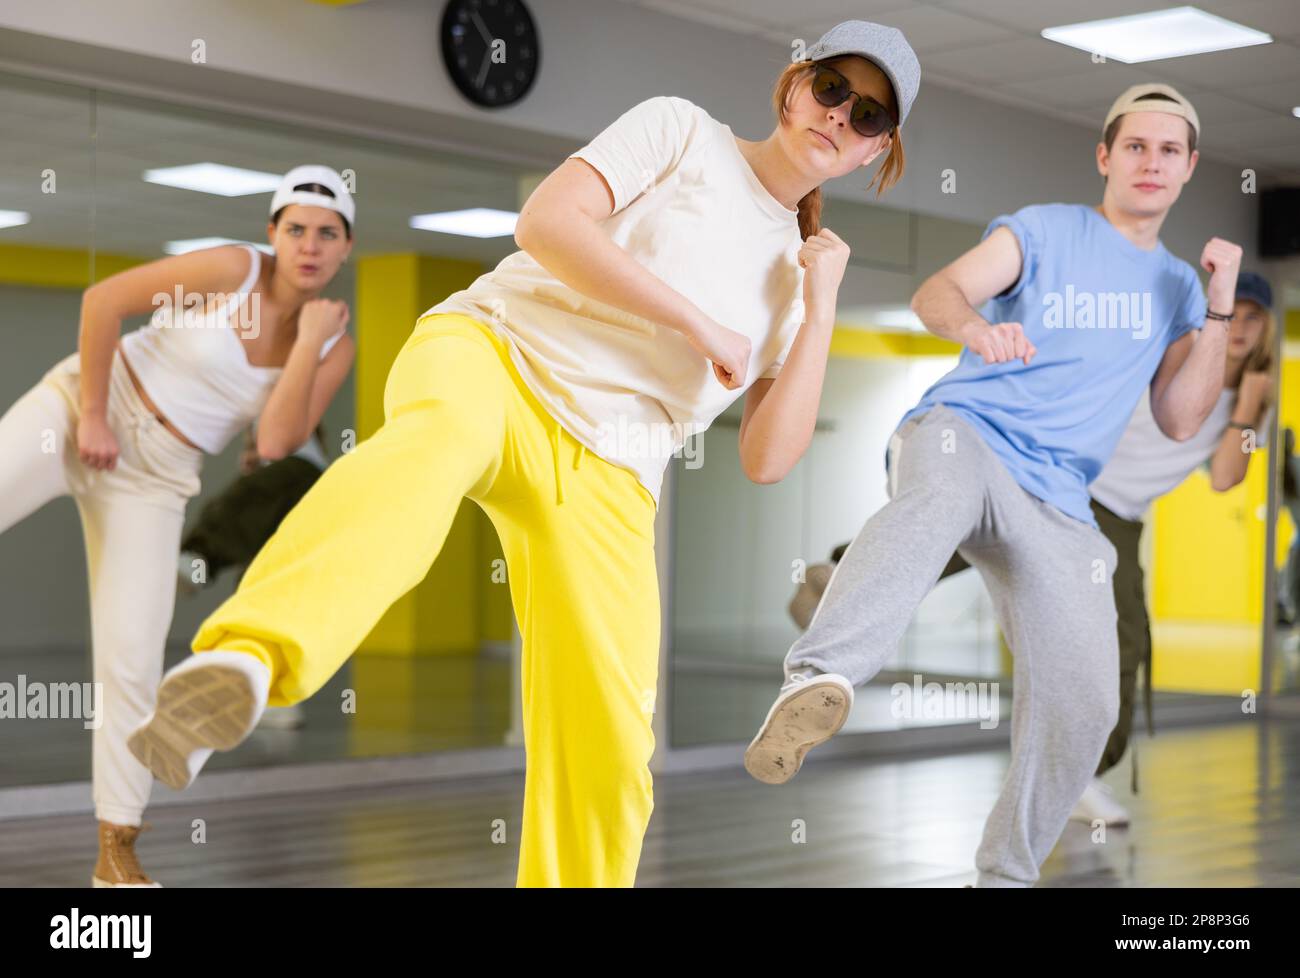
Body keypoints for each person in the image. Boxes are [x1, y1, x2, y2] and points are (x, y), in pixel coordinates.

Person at [127, 21, 922, 887]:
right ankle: (245, 660)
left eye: (870, 115)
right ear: (794, 86)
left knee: (613, 745)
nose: (841, 116)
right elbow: (545, 221)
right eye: (832, 88)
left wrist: (824, 296)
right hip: (497, 356)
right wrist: (691, 320)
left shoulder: (798, 280)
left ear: (876, 152)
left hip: (614, 465)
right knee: (424, 460)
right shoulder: (681, 130)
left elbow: (768, 459)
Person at [746, 83, 1241, 888]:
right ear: (1106, 156)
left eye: (1170, 150)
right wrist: (975, 326)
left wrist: (1218, 307)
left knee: (1088, 704)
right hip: (966, 433)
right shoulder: (1046, 229)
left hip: (1057, 497)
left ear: (1189, 168)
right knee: (931, 504)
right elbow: (935, 292)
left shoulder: (1180, 289)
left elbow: (1183, 418)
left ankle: (1004, 876)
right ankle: (817, 682)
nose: (1152, 162)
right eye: (1137, 146)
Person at [786, 271, 1276, 829]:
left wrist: (1248, 406)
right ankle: (841, 582)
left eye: (1252, 318)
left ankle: (1076, 775)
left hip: (1119, 516)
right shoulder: (1178, 358)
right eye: (1230, 314)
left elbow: (1224, 479)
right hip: (1066, 485)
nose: (1239, 327)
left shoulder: (1250, 401)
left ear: (1265, 328)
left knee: (1124, 642)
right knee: (945, 529)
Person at [0, 165, 356, 886]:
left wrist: (309, 339)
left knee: (132, 657)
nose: (309, 247)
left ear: (345, 248)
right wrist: (94, 414)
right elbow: (104, 303)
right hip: (82, 410)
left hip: (158, 478)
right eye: (295, 230)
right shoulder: (231, 268)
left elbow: (279, 438)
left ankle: (116, 847)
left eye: (327, 235)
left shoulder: (331, 342)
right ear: (272, 234)